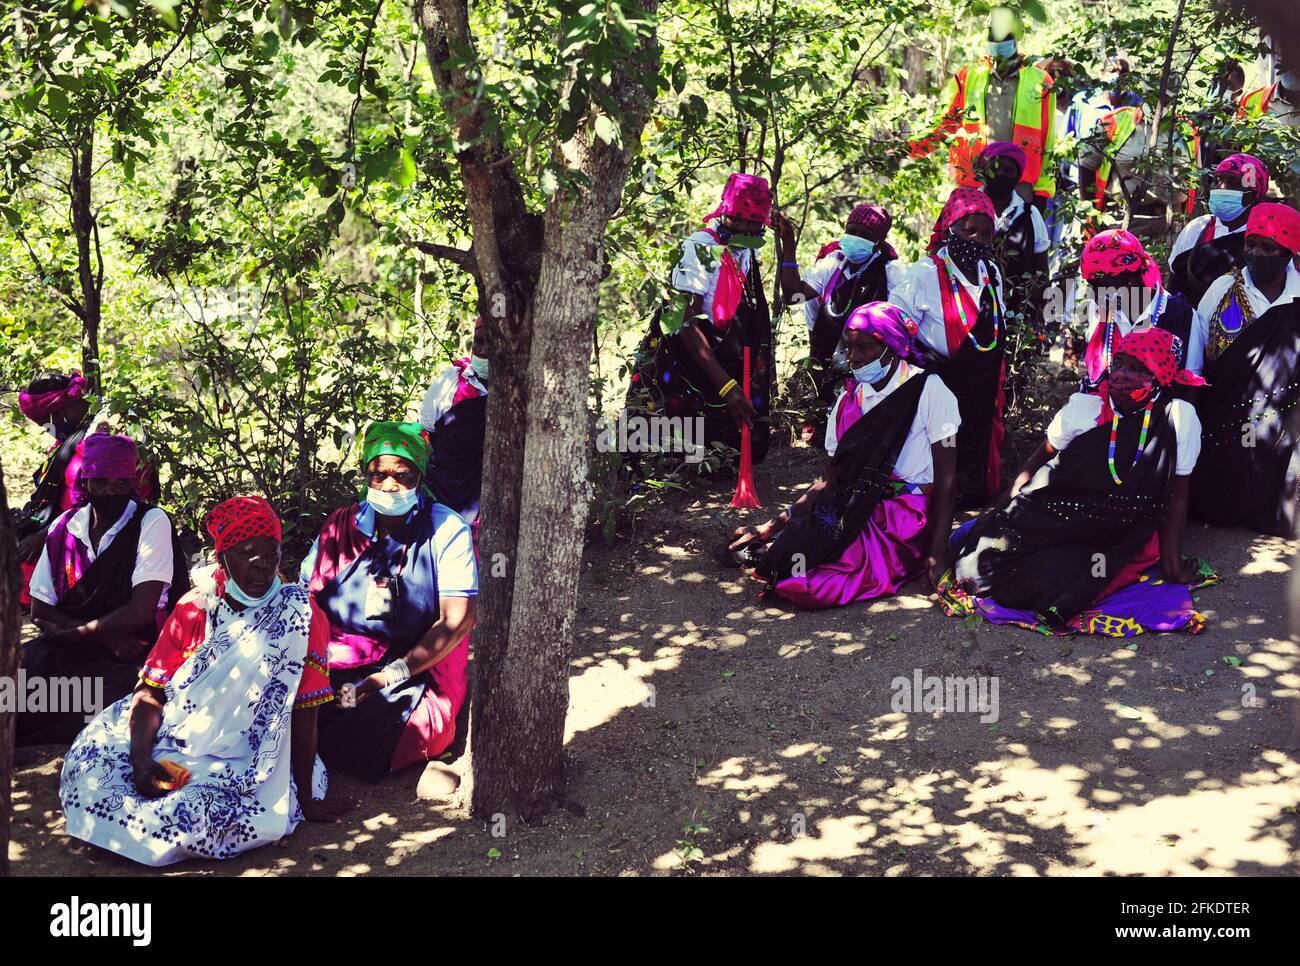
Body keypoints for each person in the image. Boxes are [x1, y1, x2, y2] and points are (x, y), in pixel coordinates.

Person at [60, 496, 353, 866]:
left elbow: (306, 709)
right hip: (172, 737)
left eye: (272, 552)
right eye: (249, 552)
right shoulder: (196, 608)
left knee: (196, 816)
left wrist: (308, 799)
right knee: (92, 771)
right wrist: (140, 761)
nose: (263, 564)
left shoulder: (300, 615)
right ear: (223, 558)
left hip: (252, 758)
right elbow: (151, 692)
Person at [945, 329, 1210, 636]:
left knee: (1049, 584)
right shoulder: (1085, 408)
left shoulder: (1177, 416)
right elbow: (1035, 464)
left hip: (1114, 535)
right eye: (1119, 362)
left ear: (1161, 376)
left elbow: (1178, 494)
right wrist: (997, 515)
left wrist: (1171, 564)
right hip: (1051, 515)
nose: (1123, 375)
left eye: (1137, 368)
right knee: (975, 568)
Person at [725, 303, 959, 608]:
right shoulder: (849, 399)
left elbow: (947, 479)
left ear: (892, 346)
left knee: (811, 586)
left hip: (903, 518)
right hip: (852, 508)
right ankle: (776, 545)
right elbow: (830, 481)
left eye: (865, 347)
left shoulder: (930, 391)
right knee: (782, 559)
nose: (854, 357)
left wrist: (937, 554)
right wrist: (772, 525)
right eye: (849, 347)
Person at [303, 421, 477, 786]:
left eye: (403, 474)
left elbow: (457, 620)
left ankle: (335, 749)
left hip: (407, 670)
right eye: (378, 474)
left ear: (420, 474)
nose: (389, 485)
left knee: (393, 721)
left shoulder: (445, 530)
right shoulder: (340, 527)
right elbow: (305, 594)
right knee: (307, 704)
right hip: (334, 663)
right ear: (366, 474)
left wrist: (388, 676)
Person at [20, 433, 189, 746]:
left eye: (120, 483)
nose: (110, 491)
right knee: (12, 683)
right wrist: (101, 636)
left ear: (132, 483)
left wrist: (74, 633)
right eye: (100, 482)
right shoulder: (64, 528)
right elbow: (40, 610)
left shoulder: (150, 522)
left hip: (137, 650)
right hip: (80, 644)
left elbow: (141, 611)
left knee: (90, 699)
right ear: (85, 483)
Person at [628, 172, 774, 465]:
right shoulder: (700, 247)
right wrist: (727, 386)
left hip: (722, 347)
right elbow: (684, 322)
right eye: (738, 220)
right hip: (686, 352)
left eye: (753, 223)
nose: (745, 228)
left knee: (747, 448)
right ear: (724, 213)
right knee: (671, 448)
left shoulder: (745, 249)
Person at [891, 188, 1007, 509]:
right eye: (969, 230)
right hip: (941, 384)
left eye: (986, 233)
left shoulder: (992, 274)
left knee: (975, 472)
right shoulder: (923, 275)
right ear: (949, 227)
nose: (978, 239)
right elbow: (893, 329)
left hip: (980, 387)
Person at [1188, 202, 1300, 536]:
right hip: (1225, 419)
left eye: (1270, 248)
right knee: (1216, 502)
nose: (1257, 254)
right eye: (1251, 244)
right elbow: (1197, 361)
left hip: (1284, 424)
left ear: (1289, 252)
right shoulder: (1222, 291)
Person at [14, 370, 157, 604]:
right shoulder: (73, 435)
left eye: (44, 424)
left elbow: (107, 500)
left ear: (57, 412)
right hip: (65, 525)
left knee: (19, 571)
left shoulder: (106, 431)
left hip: (99, 532)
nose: (46, 431)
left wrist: (46, 535)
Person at [773, 203, 906, 443]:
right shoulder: (833, 263)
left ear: (878, 241)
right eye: (852, 230)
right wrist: (789, 243)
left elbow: (900, 328)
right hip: (830, 359)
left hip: (872, 365)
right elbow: (794, 295)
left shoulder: (891, 273)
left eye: (865, 235)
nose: (856, 238)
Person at [909, 4, 1057, 207]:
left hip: (1019, 186)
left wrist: (1042, 192)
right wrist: (909, 149)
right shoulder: (968, 75)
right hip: (972, 183)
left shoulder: (1041, 80)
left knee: (1013, 238)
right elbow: (944, 123)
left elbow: (1048, 140)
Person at [1075, 230, 1202, 394]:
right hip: (1103, 413)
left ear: (1127, 278)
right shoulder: (1102, 310)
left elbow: (1190, 383)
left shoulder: (1180, 316)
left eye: (1099, 284)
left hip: (1158, 416)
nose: (1096, 293)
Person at [1168, 154, 1270, 308]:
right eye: (1217, 180)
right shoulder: (1198, 228)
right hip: (1190, 325)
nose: (1221, 188)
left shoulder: (1265, 238)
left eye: (1233, 182)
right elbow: (1174, 283)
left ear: (1253, 193)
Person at [419, 316, 489, 525]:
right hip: (444, 489)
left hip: (484, 497)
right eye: (479, 341)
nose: (484, 350)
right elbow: (425, 431)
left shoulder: (518, 391)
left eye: (492, 344)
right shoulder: (451, 382)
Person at [977, 141, 1049, 327]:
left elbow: (1041, 272)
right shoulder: (969, 208)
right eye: (996, 168)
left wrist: (1036, 315)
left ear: (1018, 177)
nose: (1001, 174)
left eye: (1009, 170)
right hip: (972, 307)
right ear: (985, 171)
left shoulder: (1030, 214)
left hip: (1015, 313)